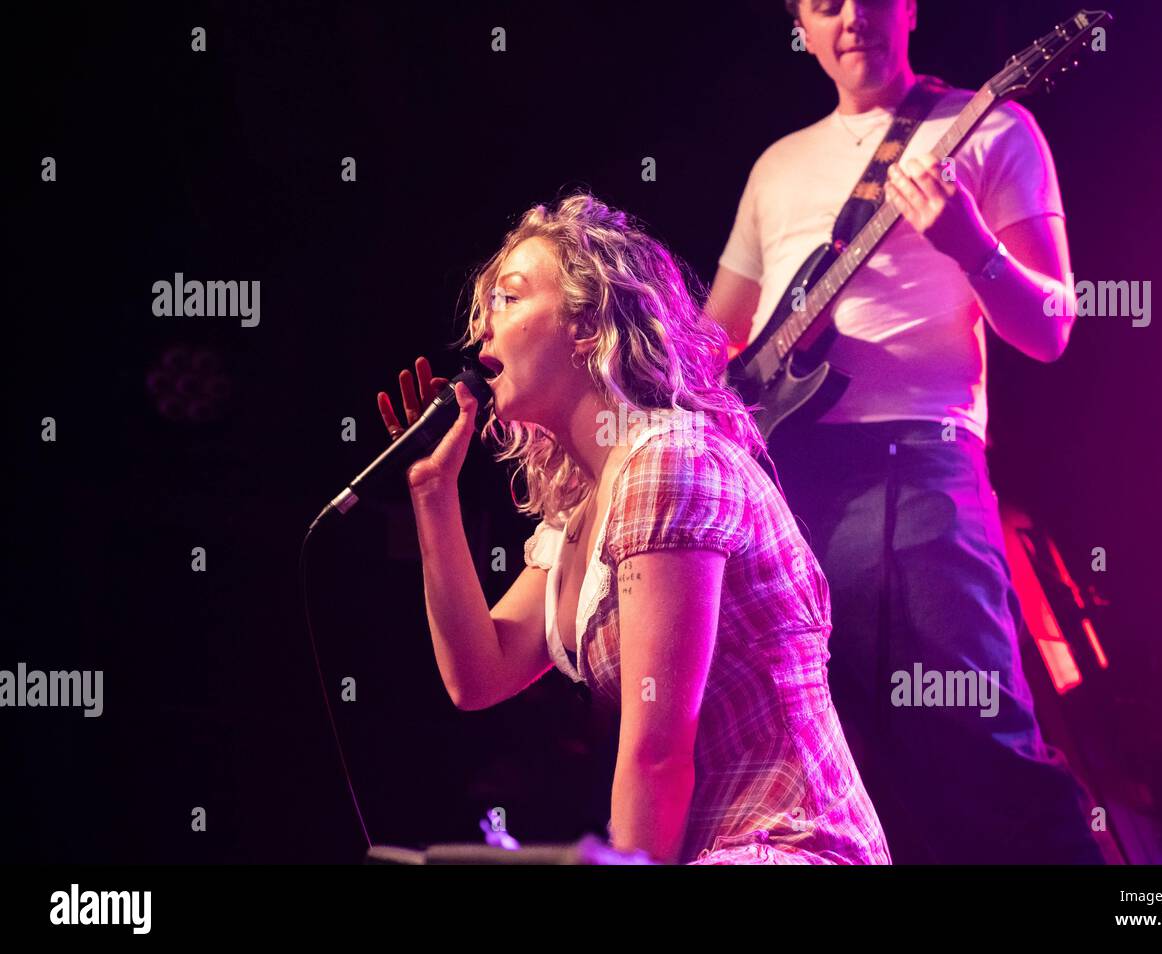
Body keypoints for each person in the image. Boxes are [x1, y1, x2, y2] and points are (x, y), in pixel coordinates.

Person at [377, 192, 891, 865]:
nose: (483, 336)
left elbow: (657, 751)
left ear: (588, 323)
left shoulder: (667, 460)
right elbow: (478, 675)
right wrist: (433, 494)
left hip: (792, 847)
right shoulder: (579, 516)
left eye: (508, 299)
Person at [704, 0, 1104, 863]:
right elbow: (716, 341)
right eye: (822, 4)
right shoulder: (777, 166)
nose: (850, 17)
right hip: (788, 488)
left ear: (910, 6)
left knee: (978, 737)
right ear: (798, 24)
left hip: (920, 466)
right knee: (838, 763)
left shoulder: (992, 126)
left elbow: (1054, 325)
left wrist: (973, 248)